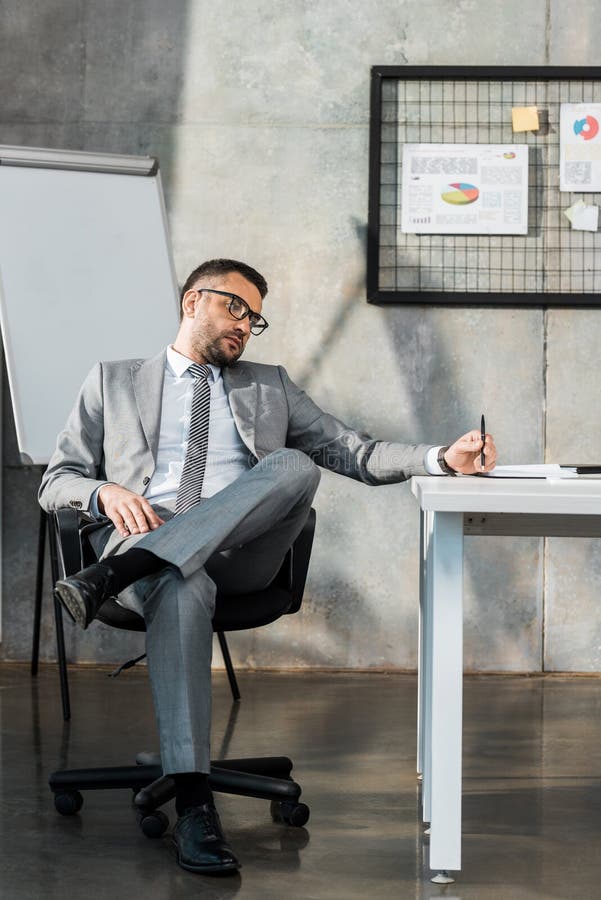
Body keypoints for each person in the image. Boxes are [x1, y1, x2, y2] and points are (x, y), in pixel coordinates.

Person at [39, 258, 497, 875]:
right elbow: (57, 480)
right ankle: (196, 808)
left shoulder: (270, 385)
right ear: (193, 300)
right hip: (149, 535)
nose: (246, 326)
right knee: (182, 582)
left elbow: (353, 450)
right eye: (236, 308)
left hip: (240, 555)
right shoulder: (113, 381)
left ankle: (116, 575)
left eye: (255, 319)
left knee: (295, 466)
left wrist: (443, 457)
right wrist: (104, 494)